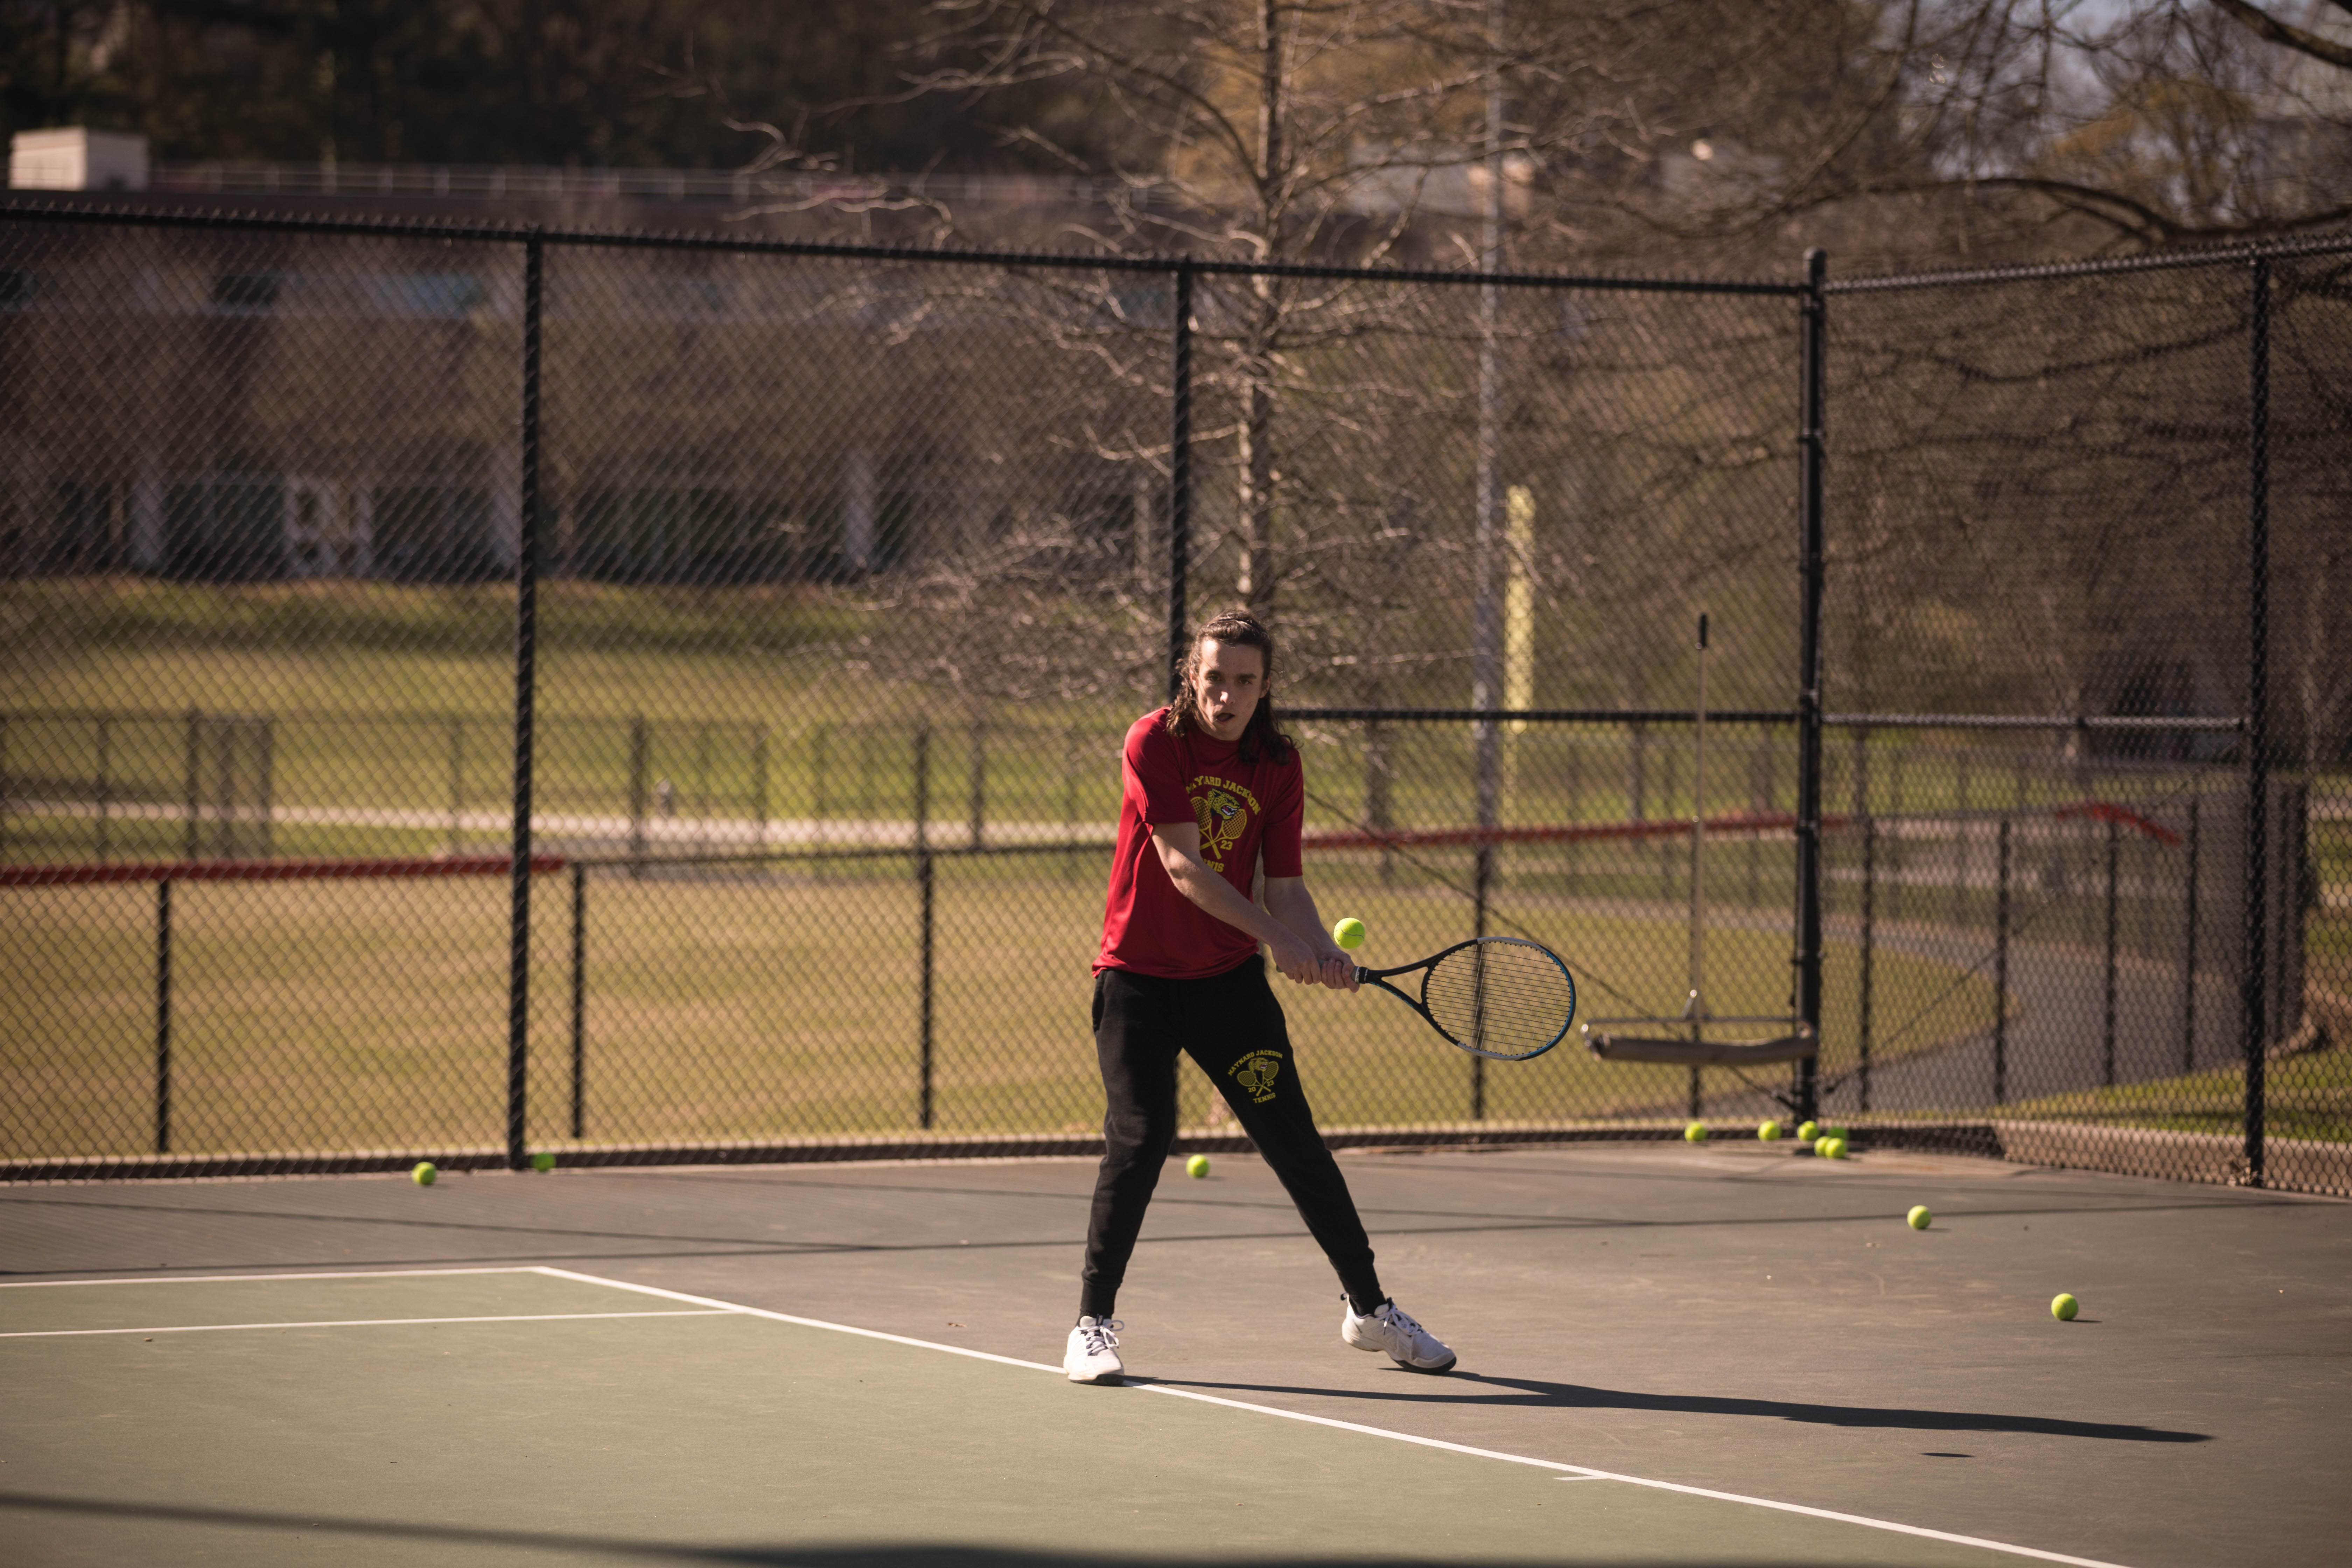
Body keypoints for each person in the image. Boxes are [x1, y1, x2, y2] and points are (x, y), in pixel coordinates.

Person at [1064, 609, 1456, 1385]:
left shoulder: (1277, 762)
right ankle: (1092, 1323)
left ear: (1265, 685)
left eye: (1244, 681)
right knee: (1142, 1137)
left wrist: (1317, 946)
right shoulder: (1153, 741)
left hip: (1226, 988)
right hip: (1137, 978)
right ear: (1191, 674)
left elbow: (1288, 889)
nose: (1227, 695)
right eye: (1214, 678)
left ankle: (1370, 1307)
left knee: (1295, 1141)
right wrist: (1280, 939)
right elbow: (1183, 867)